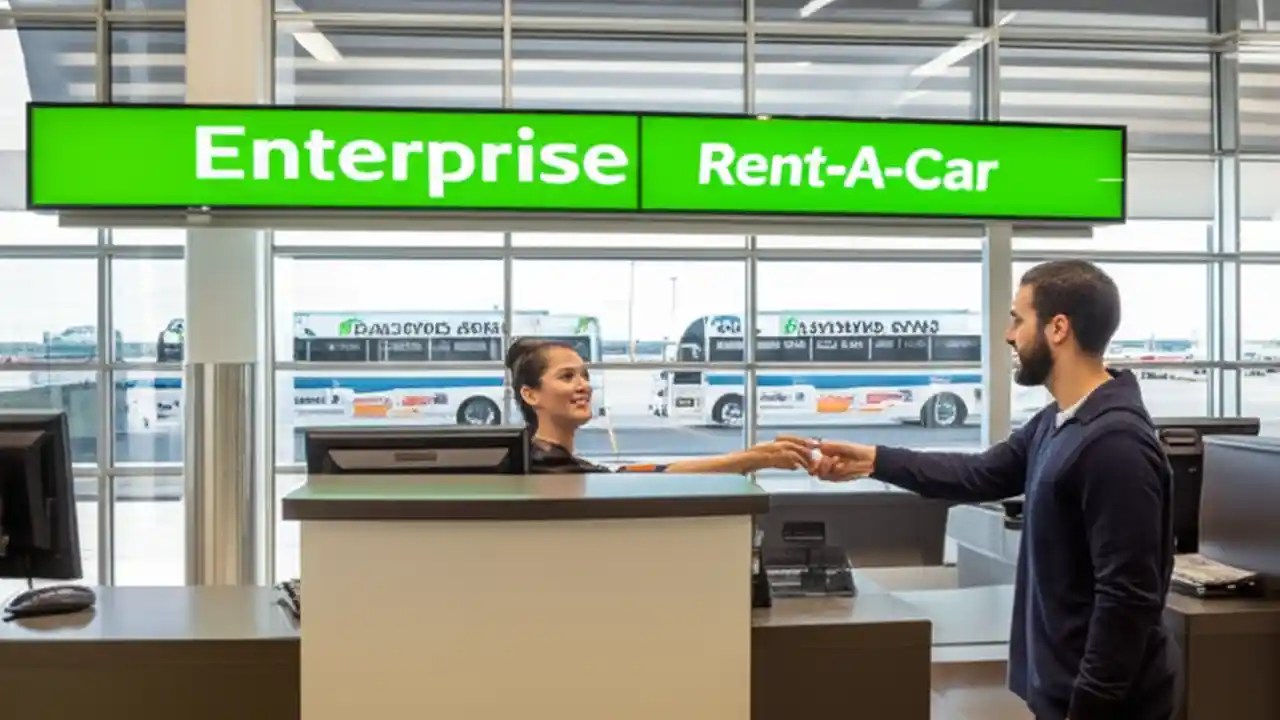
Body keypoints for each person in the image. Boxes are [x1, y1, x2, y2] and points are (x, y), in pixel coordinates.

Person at [806, 260, 1179, 720]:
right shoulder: (1057, 422)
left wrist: (1090, 707)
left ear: (1058, 328)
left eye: (1018, 320)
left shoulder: (1115, 444)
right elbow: (980, 474)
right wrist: (876, 460)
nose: (1009, 336)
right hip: (1062, 695)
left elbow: (1127, 597)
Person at [505, 337, 813, 475]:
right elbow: (639, 479)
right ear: (531, 395)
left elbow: (635, 474)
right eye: (567, 377)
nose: (583, 385)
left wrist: (757, 455)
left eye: (584, 375)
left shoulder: (554, 461)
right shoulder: (545, 467)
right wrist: (753, 459)